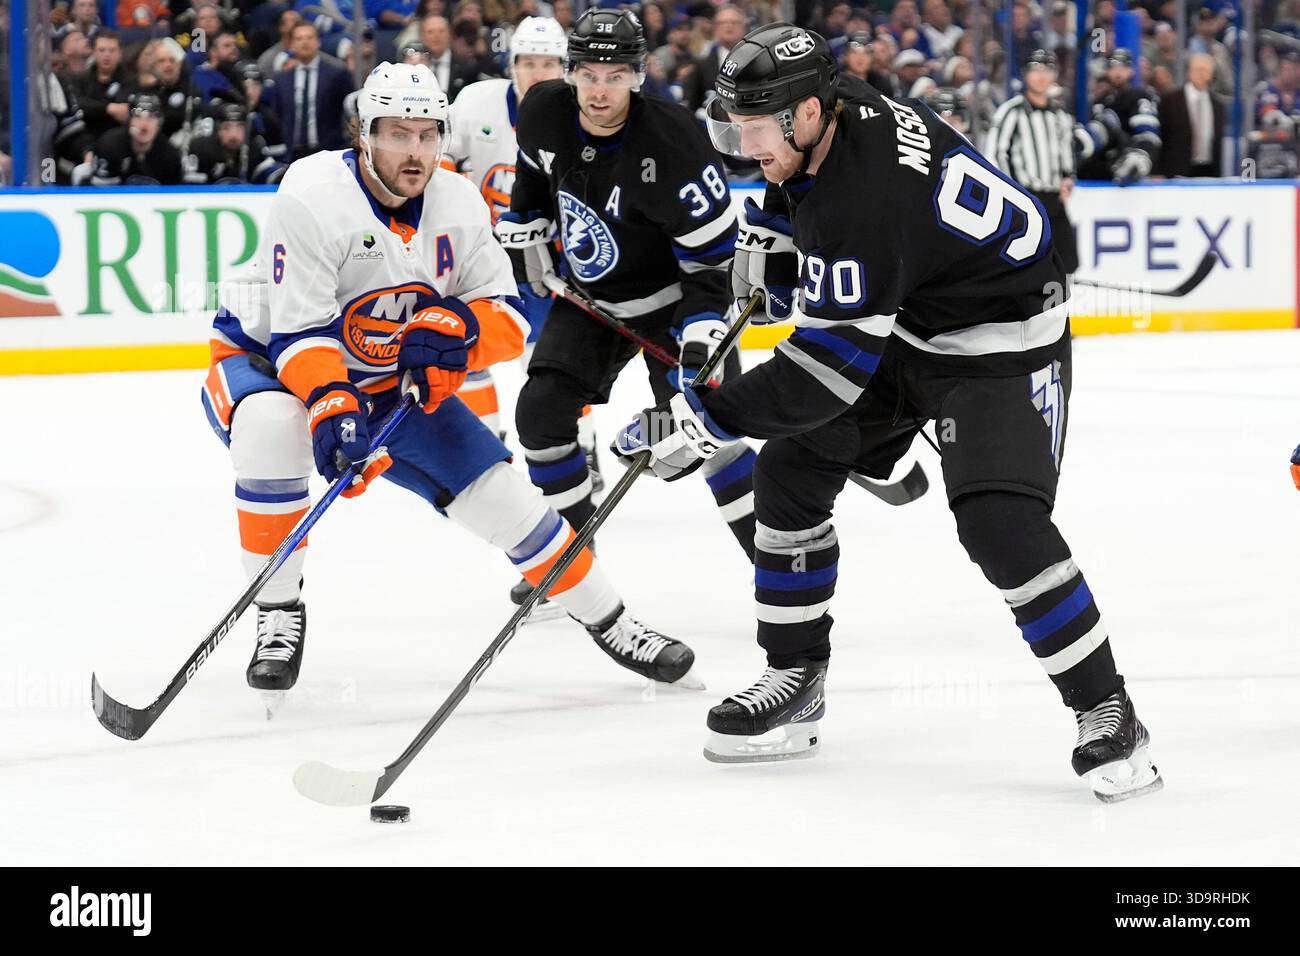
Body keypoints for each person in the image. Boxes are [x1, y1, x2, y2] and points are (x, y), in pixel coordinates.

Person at [616, 23, 1163, 803]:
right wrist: (770, 239)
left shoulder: (863, 202)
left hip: (1003, 342)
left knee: (999, 522)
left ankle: (1110, 712)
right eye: (735, 128)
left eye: (756, 130)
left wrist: (708, 418)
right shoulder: (838, 113)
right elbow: (796, 191)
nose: (744, 146)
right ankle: (794, 677)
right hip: (913, 316)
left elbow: (819, 381)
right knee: (793, 472)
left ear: (808, 114)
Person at [200, 62, 698, 709]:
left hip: (386, 379)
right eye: (398, 134)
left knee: (506, 499)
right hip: (271, 361)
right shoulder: (312, 192)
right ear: (364, 133)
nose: (415, 152)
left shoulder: (458, 200)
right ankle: (277, 607)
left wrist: (456, 328)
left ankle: (611, 619)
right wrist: (332, 407)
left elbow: (507, 314)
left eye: (428, 135)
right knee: (272, 426)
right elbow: (300, 331)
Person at [498, 8, 758, 618]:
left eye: (614, 75)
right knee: (539, 417)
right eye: (587, 72)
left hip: (674, 305)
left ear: (638, 77)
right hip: (592, 303)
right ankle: (572, 568)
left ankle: (777, 567)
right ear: (570, 72)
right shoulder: (543, 111)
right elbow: (535, 181)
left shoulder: (675, 143)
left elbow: (715, 267)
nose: (598, 89)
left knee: (712, 433)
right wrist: (528, 231)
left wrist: (699, 343)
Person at [441, 16, 568, 438]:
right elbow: (441, 161)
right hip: (480, 256)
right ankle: (486, 444)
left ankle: (579, 443)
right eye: (528, 62)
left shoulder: (580, 113)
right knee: (467, 354)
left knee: (548, 365)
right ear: (511, 64)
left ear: (564, 67)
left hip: (545, 259)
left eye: (547, 63)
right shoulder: (476, 102)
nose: (537, 72)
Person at [985, 49, 1078, 274]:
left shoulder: (1059, 114)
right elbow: (996, 153)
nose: (1041, 76)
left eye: (1047, 70)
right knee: (1024, 262)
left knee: (1067, 262)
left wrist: (1067, 177)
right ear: (1025, 75)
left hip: (1054, 198)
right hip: (1024, 199)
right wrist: (1013, 192)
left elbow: (1065, 148)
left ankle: (1058, 307)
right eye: (1035, 70)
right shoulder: (1011, 111)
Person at [1076, 48, 1161, 186]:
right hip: (1099, 173)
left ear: (1131, 70)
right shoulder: (1100, 101)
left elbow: (1147, 134)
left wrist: (1140, 157)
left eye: (1123, 67)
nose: (1118, 72)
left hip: (1127, 171)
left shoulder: (1139, 97)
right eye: (1113, 67)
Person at [272, 22, 356, 160]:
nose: (305, 42)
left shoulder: (336, 74)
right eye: (299, 38)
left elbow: (348, 110)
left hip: (328, 152)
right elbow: (279, 113)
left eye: (309, 37)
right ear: (292, 44)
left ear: (318, 42)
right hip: (294, 154)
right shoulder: (282, 79)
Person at [90, 92, 183, 184]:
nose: (144, 124)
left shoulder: (170, 155)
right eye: (138, 116)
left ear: (159, 124)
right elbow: (102, 195)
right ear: (129, 121)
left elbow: (174, 195)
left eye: (151, 117)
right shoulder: (110, 146)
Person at [1159, 52, 1225, 178]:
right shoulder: (1169, 100)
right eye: (1198, 70)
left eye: (1205, 70)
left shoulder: (1218, 105)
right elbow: (1162, 136)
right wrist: (1157, 171)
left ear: (1211, 74)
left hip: (1209, 171)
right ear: (1189, 72)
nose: (1201, 74)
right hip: (1175, 171)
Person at [184, 102, 287, 183]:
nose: (233, 135)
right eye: (226, 128)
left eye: (239, 128)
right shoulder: (200, 148)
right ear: (218, 130)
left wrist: (280, 175)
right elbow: (191, 187)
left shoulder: (254, 146)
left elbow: (268, 172)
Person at [72, 29, 132, 142]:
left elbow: (122, 110)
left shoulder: (130, 80)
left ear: (120, 53)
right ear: (94, 52)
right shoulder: (81, 79)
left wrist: (93, 108)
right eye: (102, 50)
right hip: (85, 137)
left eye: (112, 50)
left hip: (117, 140)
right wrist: (107, 108)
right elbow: (78, 104)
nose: (107, 55)